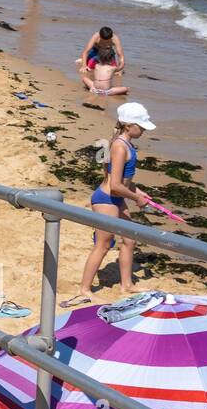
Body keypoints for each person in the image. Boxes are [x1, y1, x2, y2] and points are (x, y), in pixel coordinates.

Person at [64, 103, 157, 306]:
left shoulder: (124, 143)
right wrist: (136, 199)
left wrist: (138, 192)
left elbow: (123, 181)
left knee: (130, 239)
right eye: (140, 126)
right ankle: (85, 289)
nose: (142, 130)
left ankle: (126, 284)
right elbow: (114, 186)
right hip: (106, 200)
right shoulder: (119, 147)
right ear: (128, 126)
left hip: (117, 198)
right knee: (103, 245)